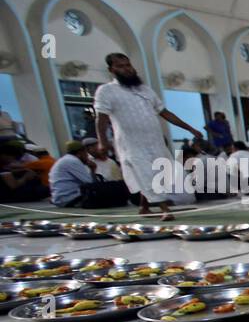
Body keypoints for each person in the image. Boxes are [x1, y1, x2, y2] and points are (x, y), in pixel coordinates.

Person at [93, 52, 203, 220]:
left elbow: (165, 113)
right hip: (131, 143)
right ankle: (165, 209)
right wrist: (102, 141)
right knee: (145, 174)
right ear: (111, 69)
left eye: (128, 65)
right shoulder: (106, 91)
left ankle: (144, 207)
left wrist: (190, 128)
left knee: (161, 172)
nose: (127, 69)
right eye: (120, 66)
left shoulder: (145, 90)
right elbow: (101, 117)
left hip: (155, 141)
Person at [48, 139, 129, 208]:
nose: (87, 156)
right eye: (86, 154)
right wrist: (93, 169)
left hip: (63, 197)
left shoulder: (66, 160)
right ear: (81, 152)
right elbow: (90, 183)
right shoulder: (73, 161)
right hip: (68, 198)